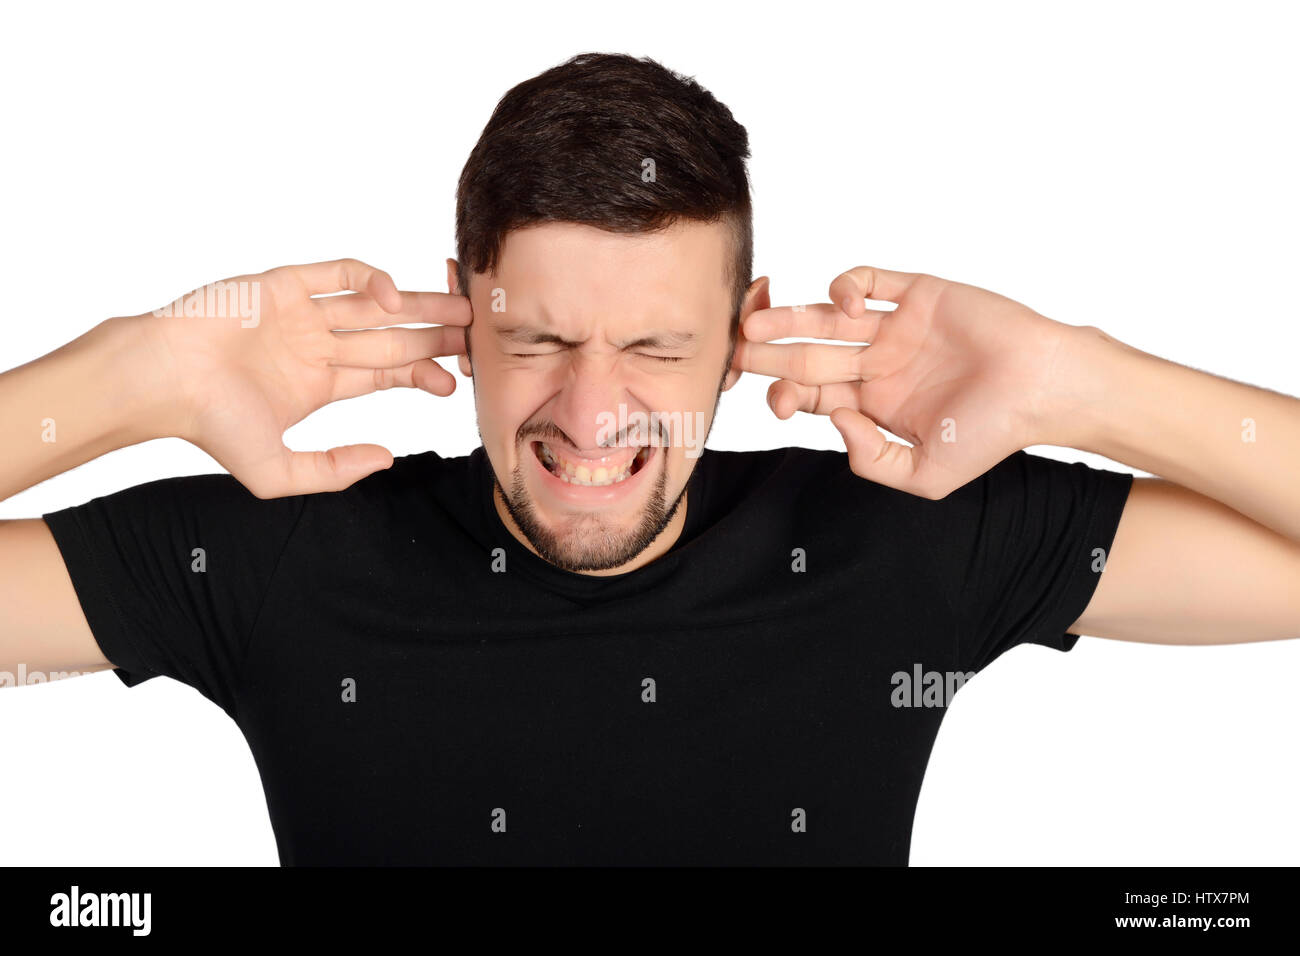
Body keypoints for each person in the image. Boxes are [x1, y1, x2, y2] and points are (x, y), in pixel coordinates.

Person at [1, 52, 1296, 865]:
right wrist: (131, 379)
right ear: (466, 311)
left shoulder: (900, 532)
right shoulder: (285, 550)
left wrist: (1082, 383)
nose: (592, 411)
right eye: (540, 339)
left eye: (658, 348)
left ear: (741, 337)